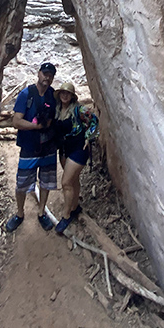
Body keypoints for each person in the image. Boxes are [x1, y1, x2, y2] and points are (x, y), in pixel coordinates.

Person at [5, 62, 58, 232]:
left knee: (46, 181)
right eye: (45, 73)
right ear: (39, 73)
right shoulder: (26, 94)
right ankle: (20, 213)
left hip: (48, 145)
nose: (47, 77)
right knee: (22, 183)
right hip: (29, 145)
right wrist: (36, 126)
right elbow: (16, 121)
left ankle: (41, 211)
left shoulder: (53, 95)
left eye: (50, 75)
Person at [53, 80, 99, 235]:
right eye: (63, 93)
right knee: (73, 180)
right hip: (64, 149)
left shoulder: (79, 110)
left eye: (68, 94)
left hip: (78, 148)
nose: (65, 96)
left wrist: (88, 137)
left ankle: (66, 215)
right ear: (59, 95)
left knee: (66, 182)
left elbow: (94, 121)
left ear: (72, 96)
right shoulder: (57, 110)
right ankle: (75, 206)